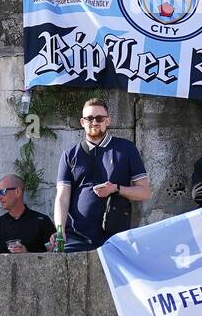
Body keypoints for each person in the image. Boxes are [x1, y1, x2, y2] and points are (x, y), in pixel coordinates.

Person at [54, 98, 151, 252]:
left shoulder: (126, 149)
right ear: (82, 122)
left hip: (115, 237)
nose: (94, 122)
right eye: (89, 118)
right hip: (76, 237)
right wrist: (60, 231)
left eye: (99, 118)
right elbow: (62, 197)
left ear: (108, 121)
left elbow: (144, 192)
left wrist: (116, 188)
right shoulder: (69, 154)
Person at [0, 174, 57, 254]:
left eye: (2, 192)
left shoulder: (42, 221)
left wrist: (27, 255)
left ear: (18, 192)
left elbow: (54, 254)